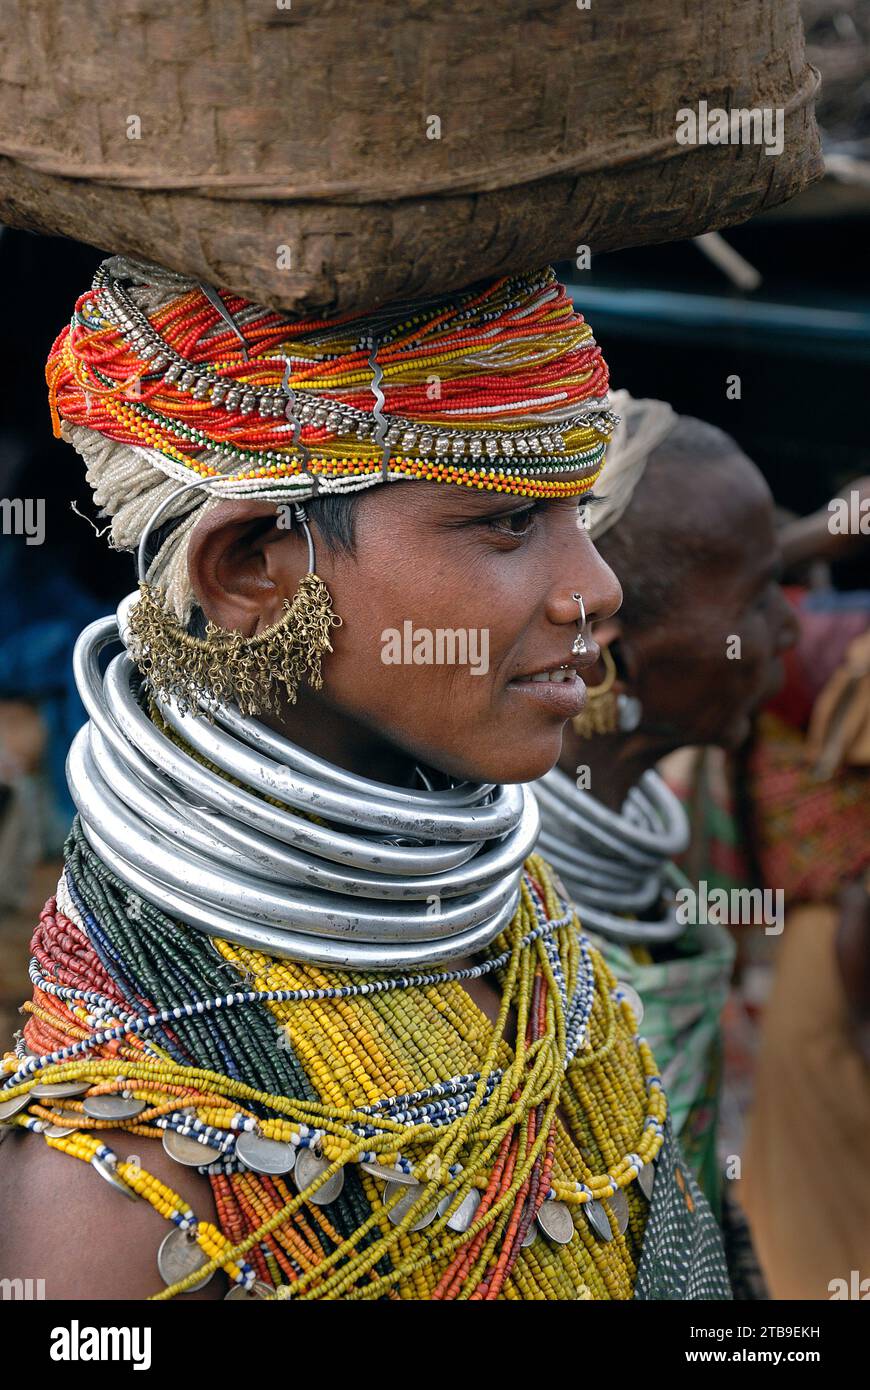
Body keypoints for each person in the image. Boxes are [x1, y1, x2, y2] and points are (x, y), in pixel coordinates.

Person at [0, 259, 730, 1300]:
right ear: (251, 565)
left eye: (579, 511)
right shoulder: (125, 1185)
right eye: (508, 520)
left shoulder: (529, 941)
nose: (596, 586)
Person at [531, 391, 798, 1208]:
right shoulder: (500, 928)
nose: (787, 629)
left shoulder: (652, 858)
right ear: (608, 655)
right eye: (756, 597)